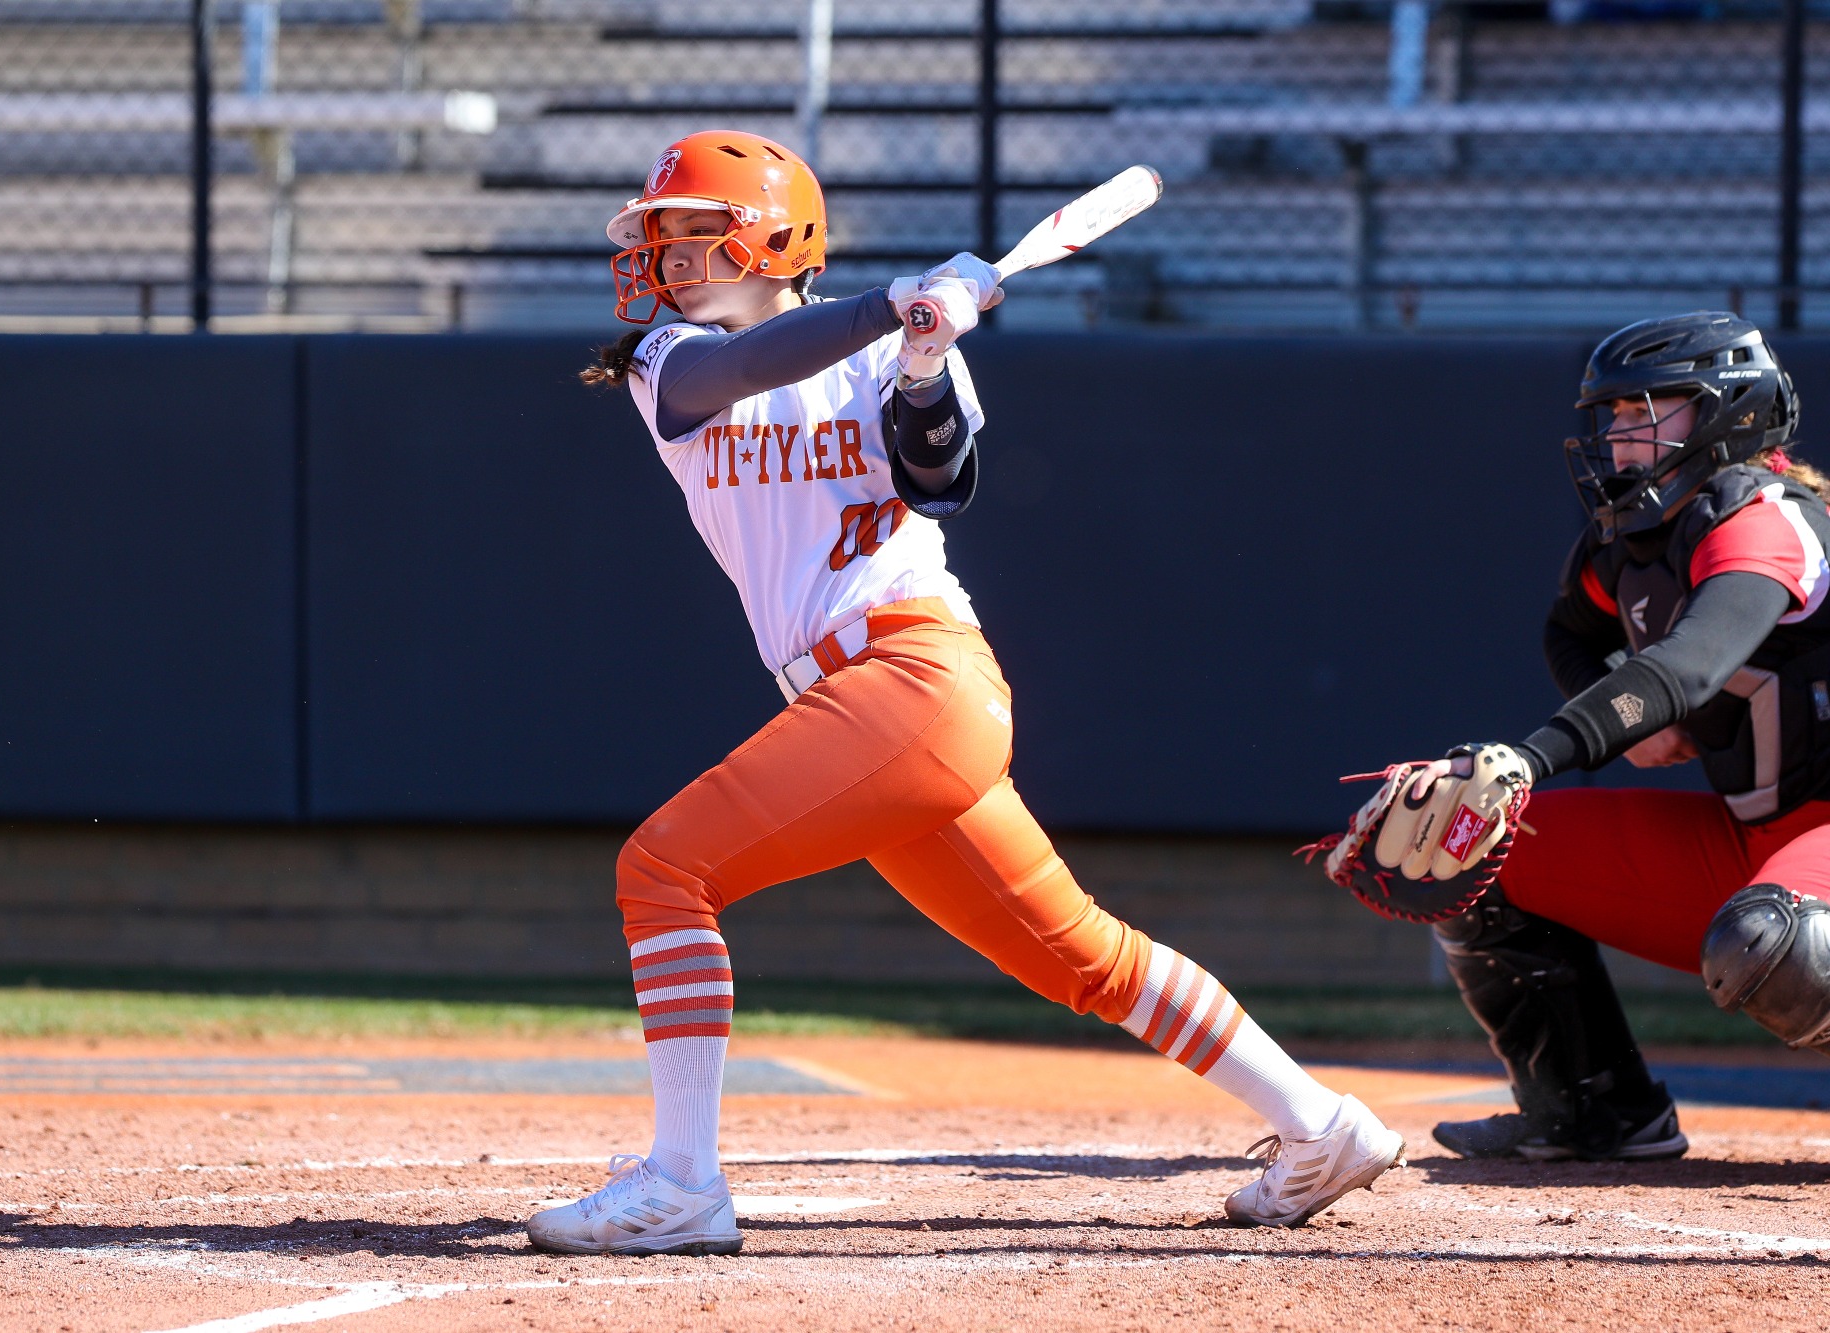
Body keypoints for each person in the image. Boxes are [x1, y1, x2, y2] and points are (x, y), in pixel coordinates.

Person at [520, 131, 1405, 1256]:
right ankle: (1322, 1124)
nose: (672, 254)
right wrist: (891, 306)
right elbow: (741, 370)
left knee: (662, 869)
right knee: (1080, 954)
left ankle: (682, 1181)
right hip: (866, 707)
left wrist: (926, 358)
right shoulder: (666, 364)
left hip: (911, 675)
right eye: (666, 234)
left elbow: (939, 475)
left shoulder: (889, 345)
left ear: (773, 234)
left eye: (698, 228)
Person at [1334, 310, 1830, 1164]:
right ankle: (1594, 1109)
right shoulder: (1634, 541)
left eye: (1643, 414)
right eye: (1613, 418)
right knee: (1475, 846)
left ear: (1724, 411)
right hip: (1750, 840)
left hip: (1818, 837)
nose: (1619, 436)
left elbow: (1689, 669)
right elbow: (1568, 634)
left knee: (1780, 942)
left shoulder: (1769, 519)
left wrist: (1533, 755)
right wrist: (1622, 719)